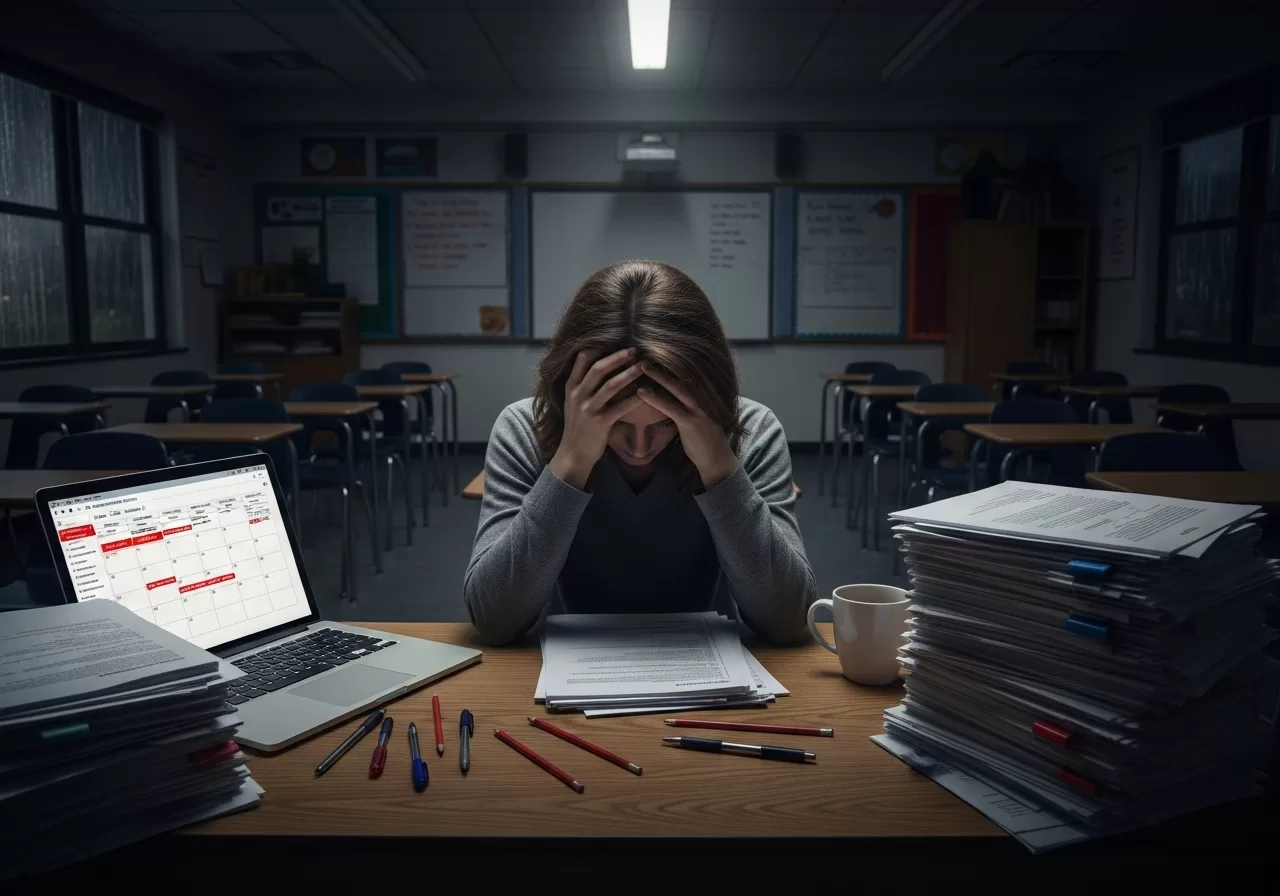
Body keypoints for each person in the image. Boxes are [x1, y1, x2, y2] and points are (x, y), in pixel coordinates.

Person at [464, 260, 815, 645]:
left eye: (666, 424)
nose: (639, 448)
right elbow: (494, 618)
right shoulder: (522, 429)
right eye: (616, 423)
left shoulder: (754, 430)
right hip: (564, 668)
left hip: (708, 666)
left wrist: (719, 466)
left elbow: (786, 619)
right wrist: (570, 462)